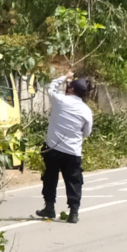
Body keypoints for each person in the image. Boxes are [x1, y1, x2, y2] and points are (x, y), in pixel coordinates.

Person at [36, 72, 93, 224]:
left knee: (50, 178)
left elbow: (50, 86)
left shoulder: (60, 100)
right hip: (73, 152)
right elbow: (86, 133)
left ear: (70, 89)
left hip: (53, 149)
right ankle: (73, 213)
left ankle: (49, 207)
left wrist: (65, 76)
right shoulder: (86, 111)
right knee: (74, 181)